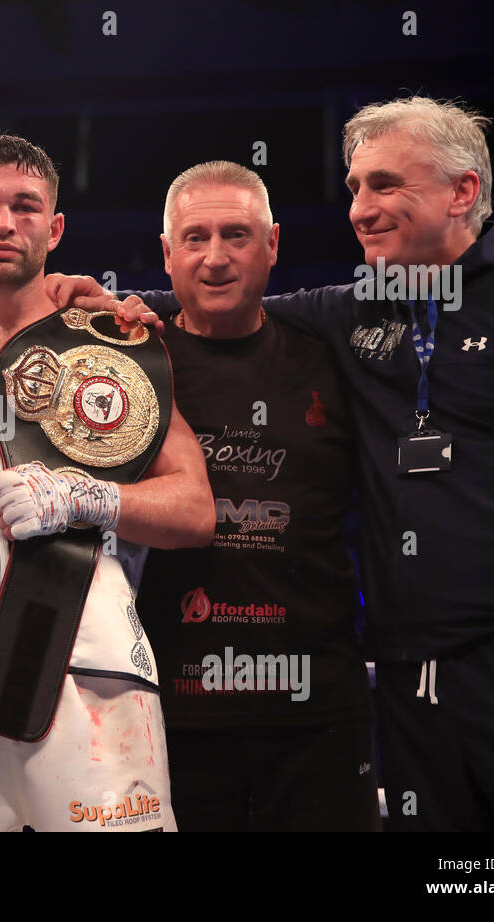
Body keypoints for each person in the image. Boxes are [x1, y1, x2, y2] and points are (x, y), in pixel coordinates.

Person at [51, 97, 494, 831]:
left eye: (385, 185)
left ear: (463, 190)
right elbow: (230, 296)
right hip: (409, 676)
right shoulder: (354, 312)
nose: (361, 208)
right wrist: (112, 303)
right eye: (354, 188)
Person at [0, 135, 215, 832]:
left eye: (25, 207)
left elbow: (196, 509)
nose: (3, 223)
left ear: (54, 228)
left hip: (93, 671)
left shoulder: (116, 345)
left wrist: (90, 499)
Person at [133, 161, 376, 831]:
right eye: (196, 237)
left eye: (236, 235)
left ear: (272, 244)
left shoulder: (333, 358)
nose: (215, 258)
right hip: (173, 705)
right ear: (167, 252)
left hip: (316, 705)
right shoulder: (127, 362)